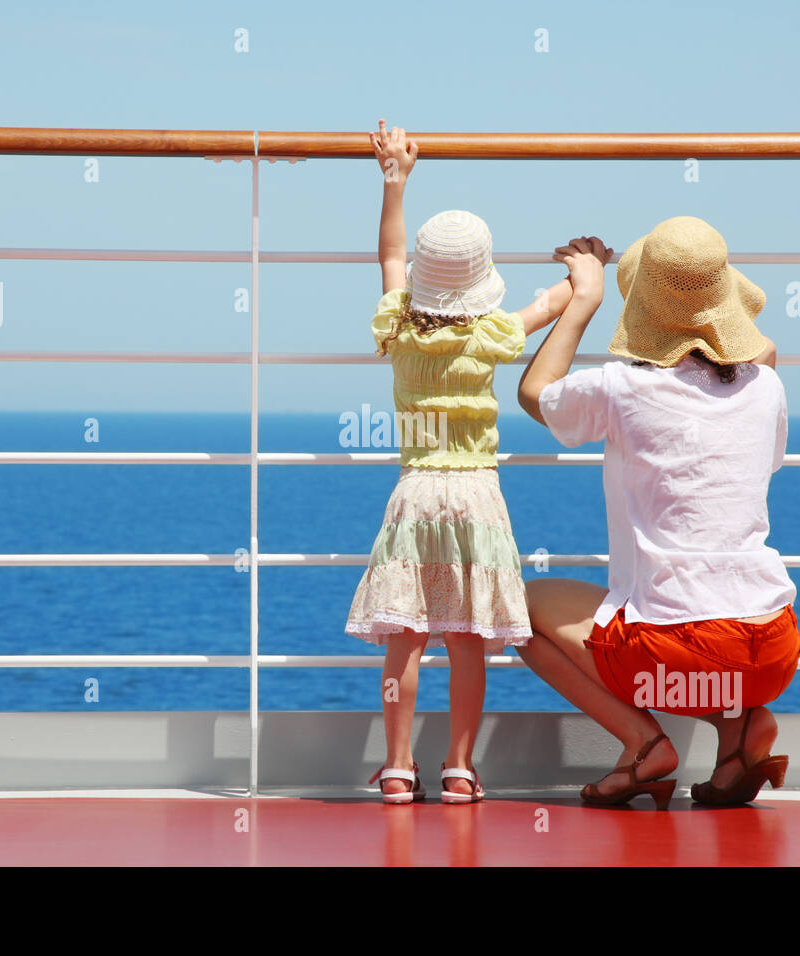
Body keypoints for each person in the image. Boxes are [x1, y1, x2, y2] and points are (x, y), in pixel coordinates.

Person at [515, 217, 800, 809]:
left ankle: (645, 744)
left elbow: (534, 393)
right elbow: (759, 360)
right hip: (768, 651)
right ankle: (738, 732)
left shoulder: (619, 388)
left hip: (664, 661)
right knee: (719, 603)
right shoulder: (766, 386)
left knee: (516, 608)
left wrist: (584, 297)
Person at [347, 121, 585, 804]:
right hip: (476, 494)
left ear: (424, 278)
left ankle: (396, 767)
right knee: (469, 638)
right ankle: (459, 766)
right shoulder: (491, 333)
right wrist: (585, 271)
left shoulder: (396, 325)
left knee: (406, 639)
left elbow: (391, 255)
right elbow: (550, 303)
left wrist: (394, 179)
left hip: (416, 492)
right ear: (481, 283)